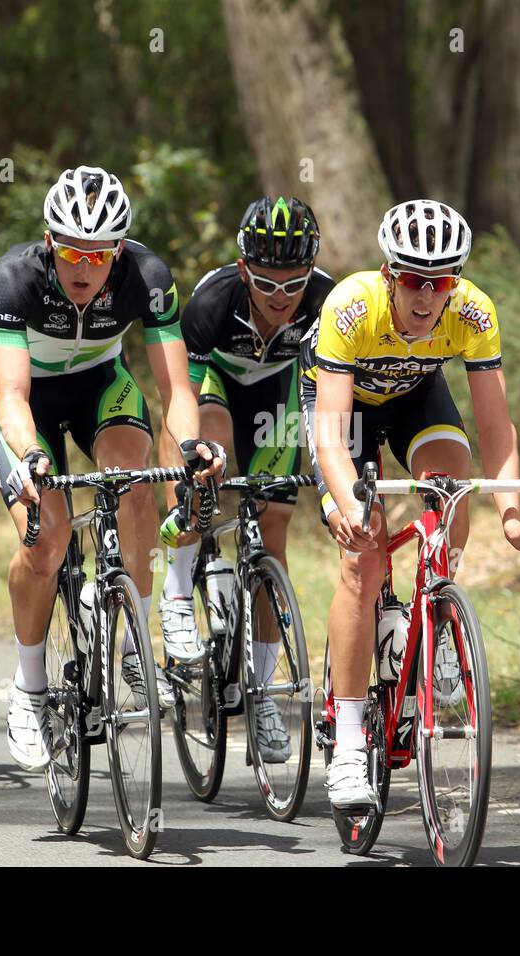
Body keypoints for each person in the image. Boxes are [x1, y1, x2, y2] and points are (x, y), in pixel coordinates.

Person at [299, 199, 520, 806]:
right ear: (388, 274)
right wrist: (352, 507)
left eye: (440, 282)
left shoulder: (471, 311)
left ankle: (435, 617)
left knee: (453, 476)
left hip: (417, 395)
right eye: (413, 279)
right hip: (343, 409)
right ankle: (348, 741)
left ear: (456, 282)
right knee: (362, 561)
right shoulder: (351, 306)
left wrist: (512, 515)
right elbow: (331, 439)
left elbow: (496, 428)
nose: (425, 295)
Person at [0, 165, 224, 772]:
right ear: (49, 242)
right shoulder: (13, 280)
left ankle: (134, 645)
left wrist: (192, 445)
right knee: (49, 541)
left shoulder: (147, 277)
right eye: (71, 251)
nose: (84, 267)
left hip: (100, 387)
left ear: (119, 248)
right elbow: (11, 396)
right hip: (29, 404)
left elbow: (175, 390)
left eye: (99, 253)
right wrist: (31, 455)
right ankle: (29, 685)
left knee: (136, 484)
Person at [157, 196, 333, 762]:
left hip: (278, 394)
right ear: (242, 271)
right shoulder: (212, 301)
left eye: (294, 284)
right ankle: (179, 590)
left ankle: (261, 697)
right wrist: (198, 462)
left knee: (274, 527)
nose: (281, 299)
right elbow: (183, 392)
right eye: (266, 283)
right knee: (210, 445)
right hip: (218, 387)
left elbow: (323, 397)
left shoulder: (328, 303)